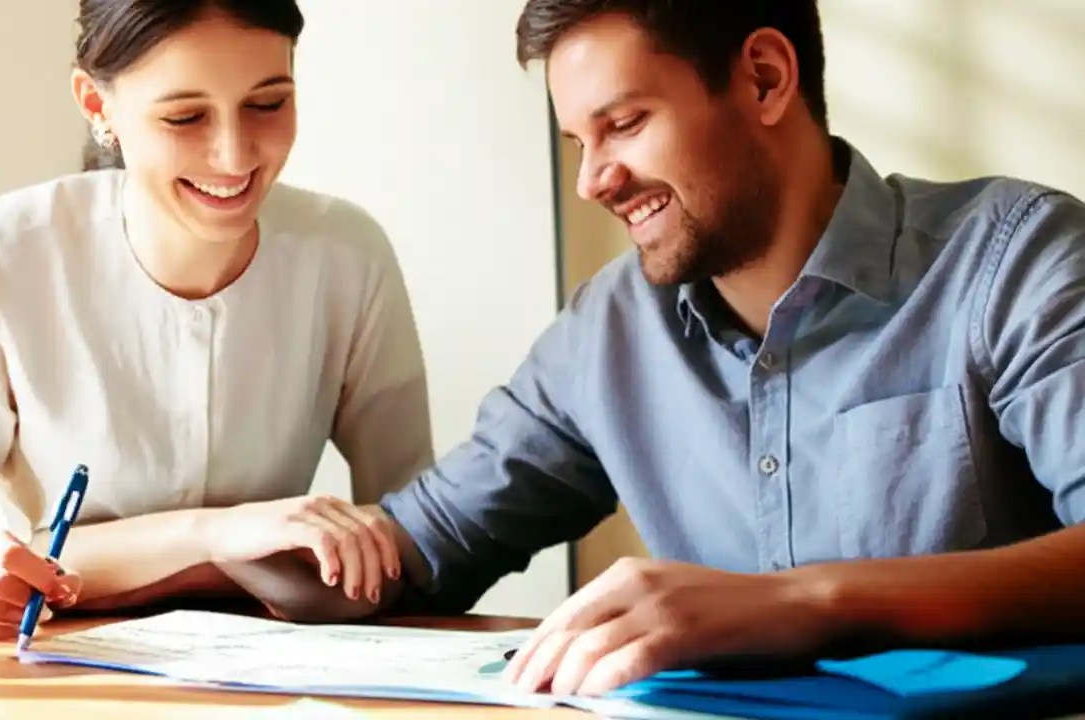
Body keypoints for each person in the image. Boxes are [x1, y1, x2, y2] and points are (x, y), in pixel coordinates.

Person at [273, 0, 1085, 698]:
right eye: (577, 143)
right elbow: (415, 549)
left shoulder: (1014, 259)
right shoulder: (608, 332)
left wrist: (803, 602)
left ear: (765, 77)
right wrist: (191, 543)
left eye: (623, 124)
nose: (594, 180)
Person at [0, 0, 432, 641]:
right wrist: (219, 536)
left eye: (267, 103)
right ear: (97, 106)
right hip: (50, 665)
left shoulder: (348, 253)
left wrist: (85, 554)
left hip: (271, 669)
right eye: (185, 116)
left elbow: (418, 535)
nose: (234, 154)